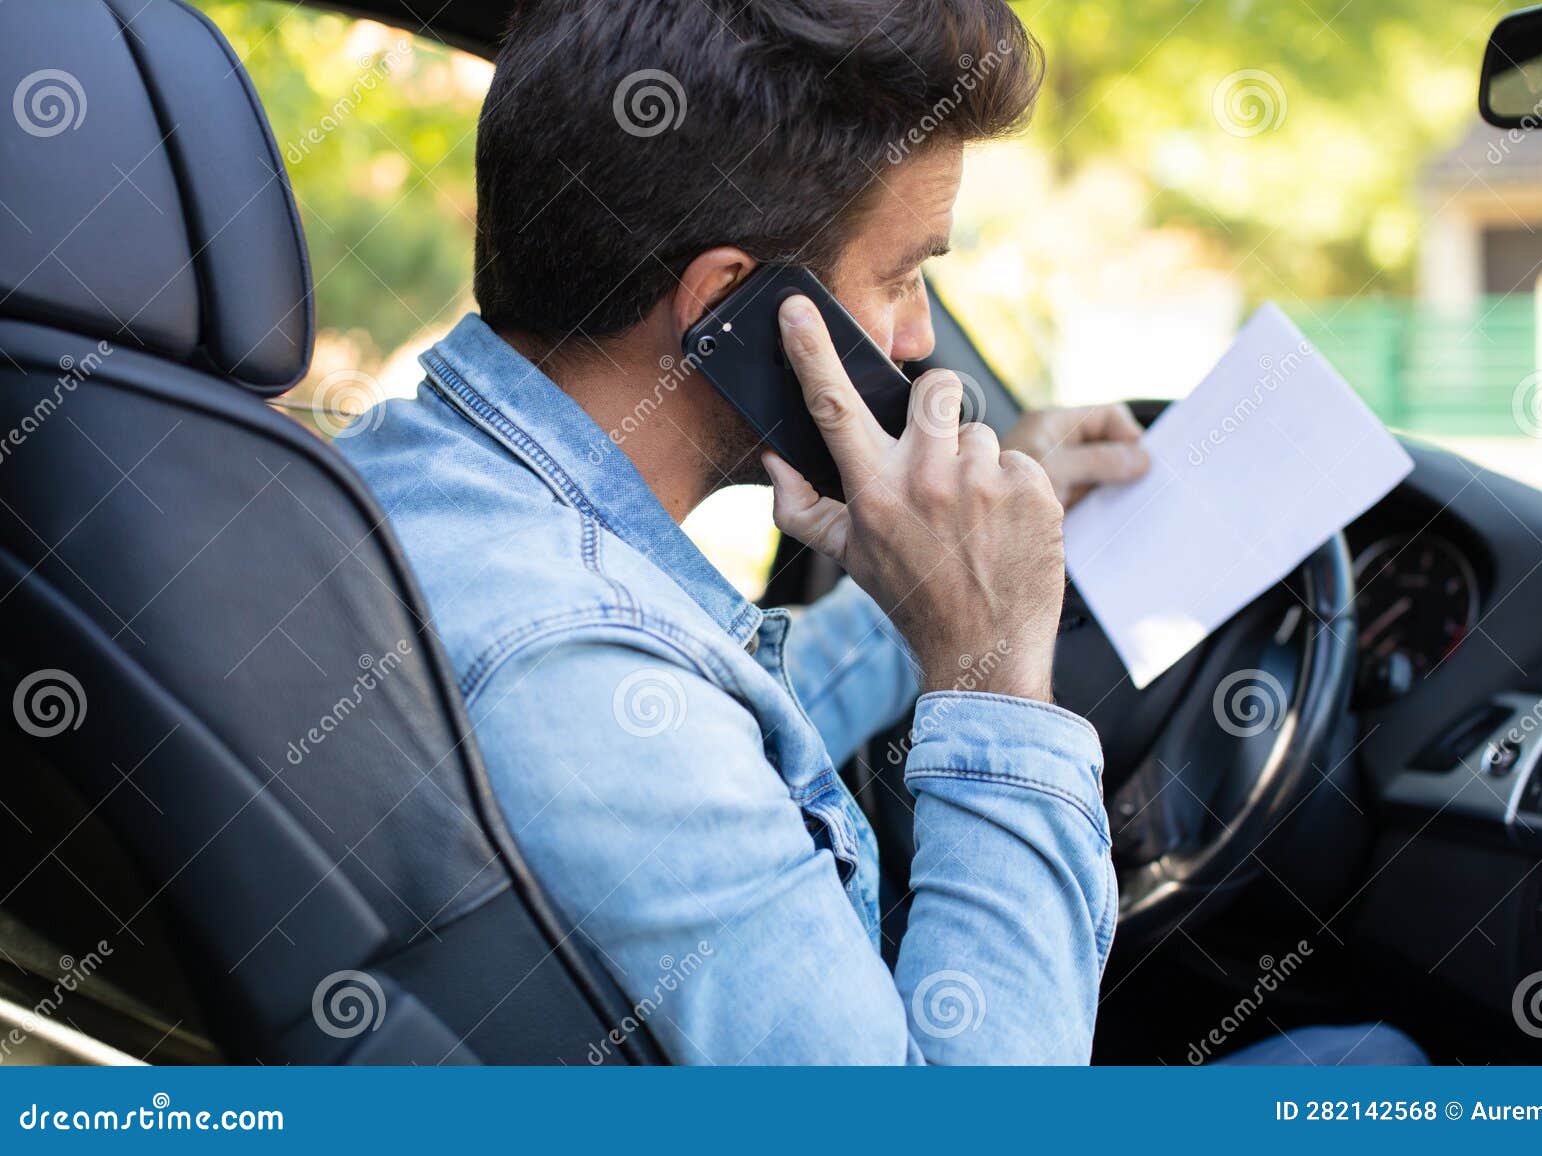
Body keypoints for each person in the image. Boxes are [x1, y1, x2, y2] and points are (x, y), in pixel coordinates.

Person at [341, 0, 1424, 1065]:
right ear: (736, 304)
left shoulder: (391, 482)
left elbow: (692, 741)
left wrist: (930, 589)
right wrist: (992, 670)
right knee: (1374, 1064)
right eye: (904, 277)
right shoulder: (574, 660)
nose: (914, 342)